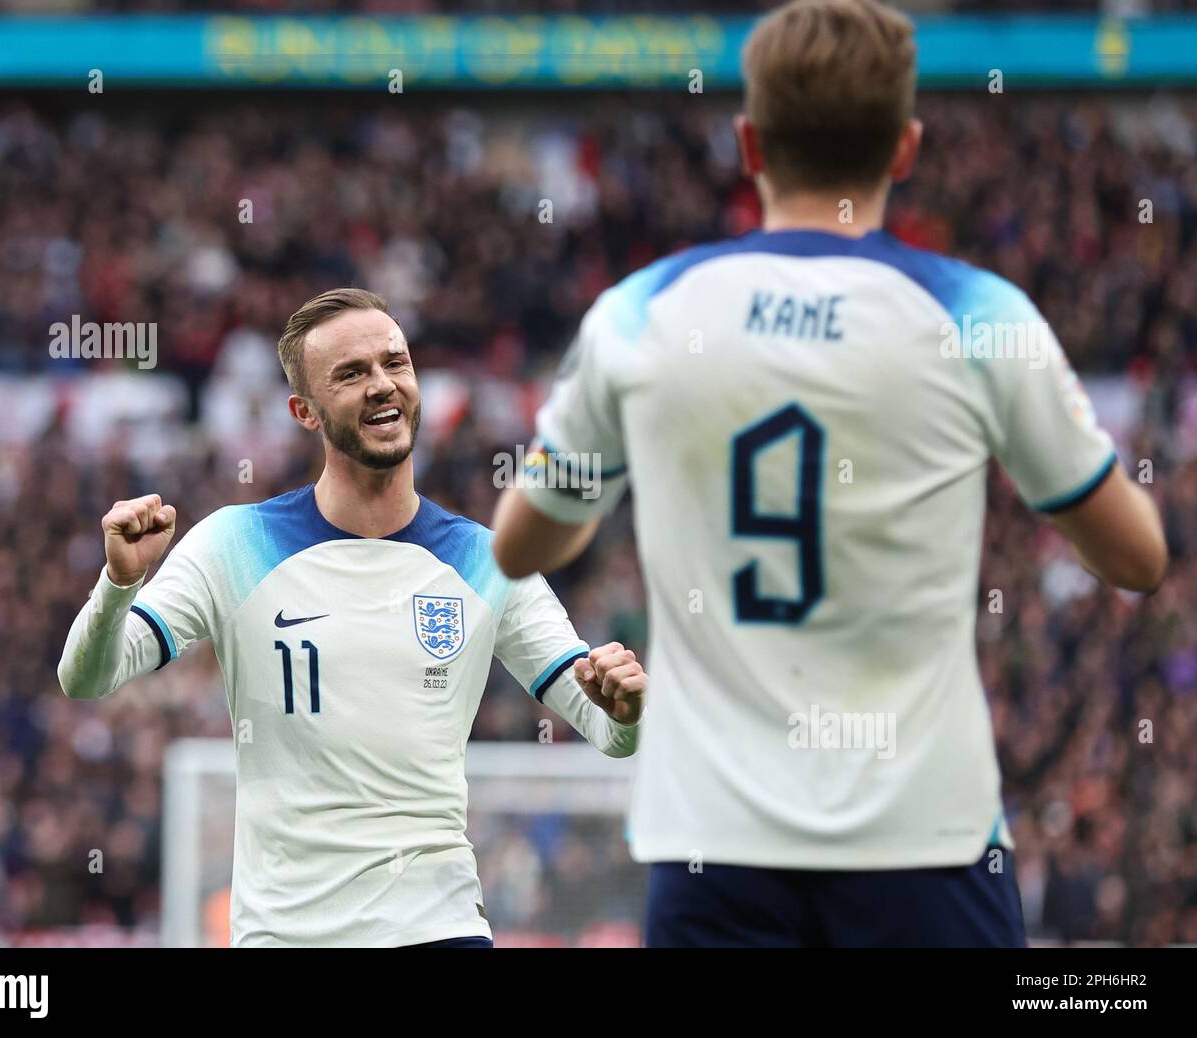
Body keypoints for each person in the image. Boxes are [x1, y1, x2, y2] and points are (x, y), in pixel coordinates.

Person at [490, 0, 1166, 948]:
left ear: (749, 144)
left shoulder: (639, 315)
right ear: (906, 148)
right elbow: (1138, 557)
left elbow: (524, 542)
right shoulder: (981, 315)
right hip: (926, 841)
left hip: (713, 847)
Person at [58, 287, 647, 948]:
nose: (381, 385)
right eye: (351, 373)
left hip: (438, 928)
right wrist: (119, 583)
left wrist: (625, 710)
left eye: (394, 363)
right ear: (303, 411)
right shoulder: (233, 543)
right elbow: (87, 678)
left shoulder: (489, 559)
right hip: (288, 936)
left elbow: (607, 732)